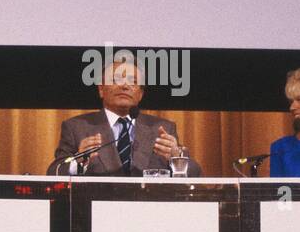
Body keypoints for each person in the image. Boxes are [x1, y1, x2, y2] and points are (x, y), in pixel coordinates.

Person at [48, 59, 201, 176]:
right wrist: (78, 162)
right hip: (96, 210)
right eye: (116, 80)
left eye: (133, 82)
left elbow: (195, 174)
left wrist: (176, 159)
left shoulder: (162, 129)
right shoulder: (77, 127)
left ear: (140, 94)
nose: (125, 86)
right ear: (101, 89)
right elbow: (55, 171)